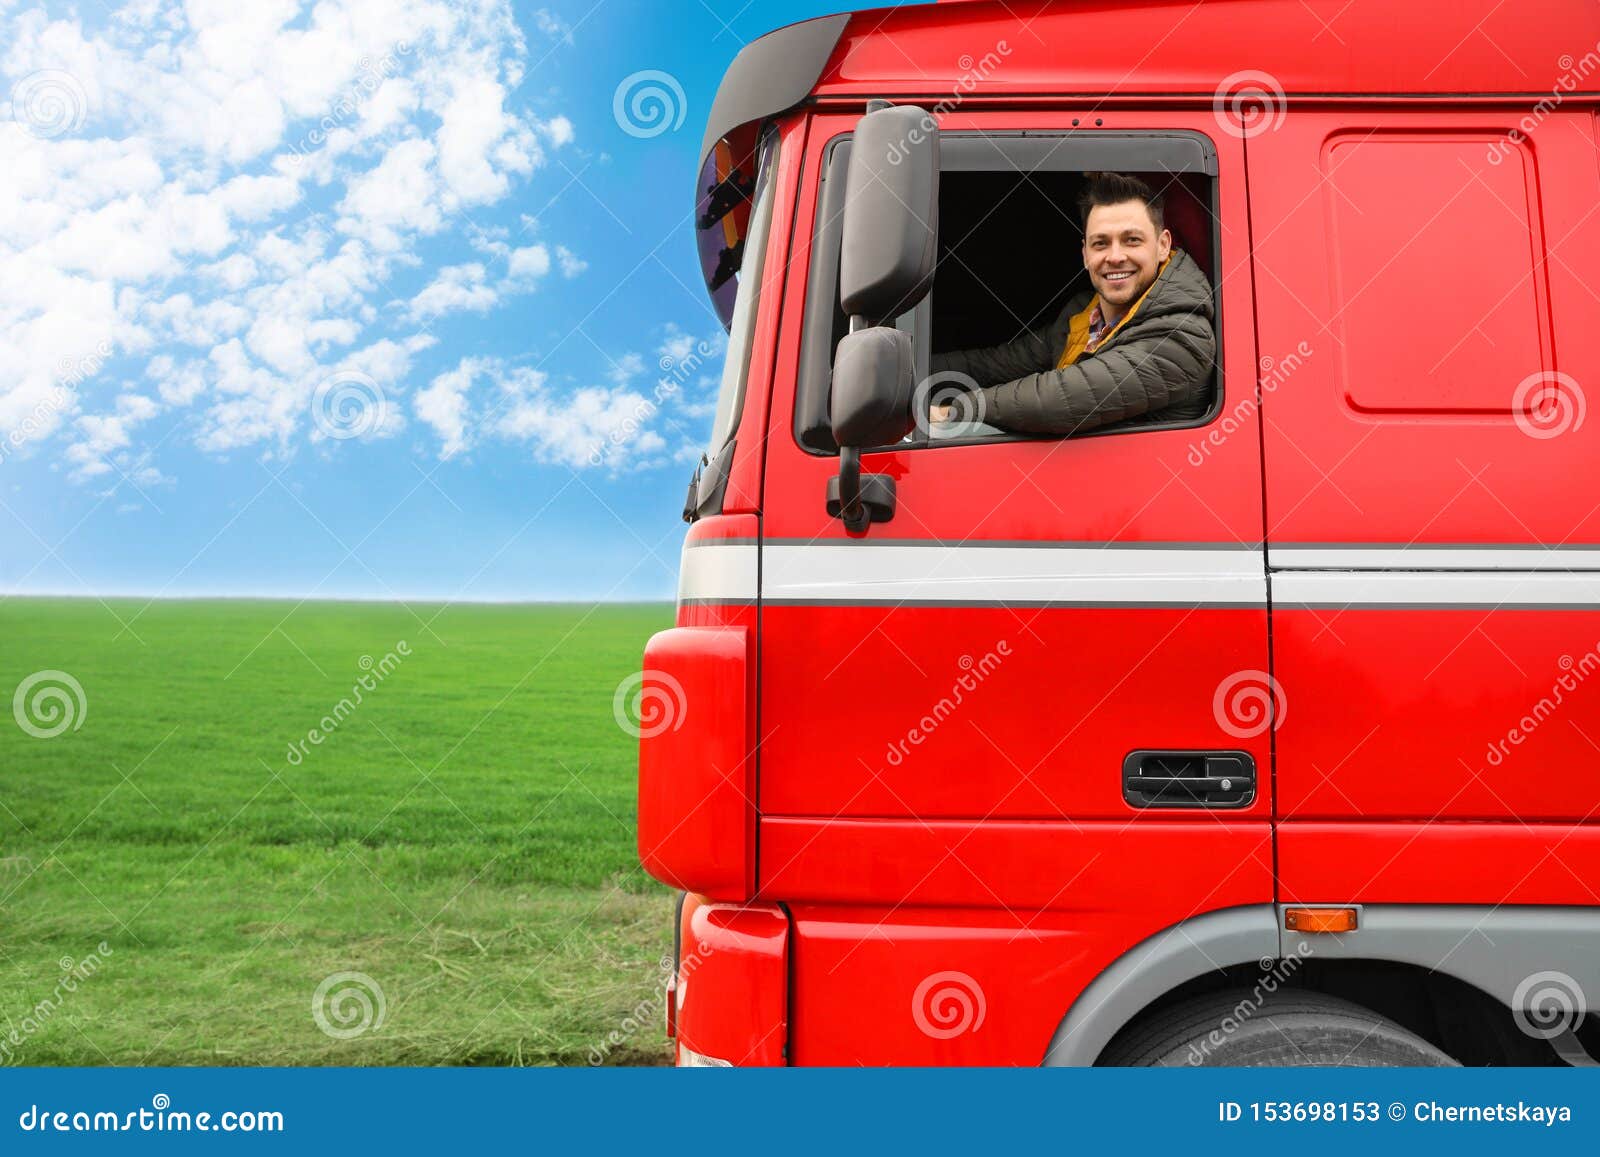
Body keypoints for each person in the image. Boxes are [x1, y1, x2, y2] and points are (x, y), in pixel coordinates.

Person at [928, 172, 1215, 435]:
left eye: (1132, 241)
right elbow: (997, 363)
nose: (1115, 256)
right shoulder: (1085, 313)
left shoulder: (1182, 335)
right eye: (1101, 243)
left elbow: (1057, 399)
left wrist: (953, 411)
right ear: (1085, 254)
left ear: (1163, 245)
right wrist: (906, 371)